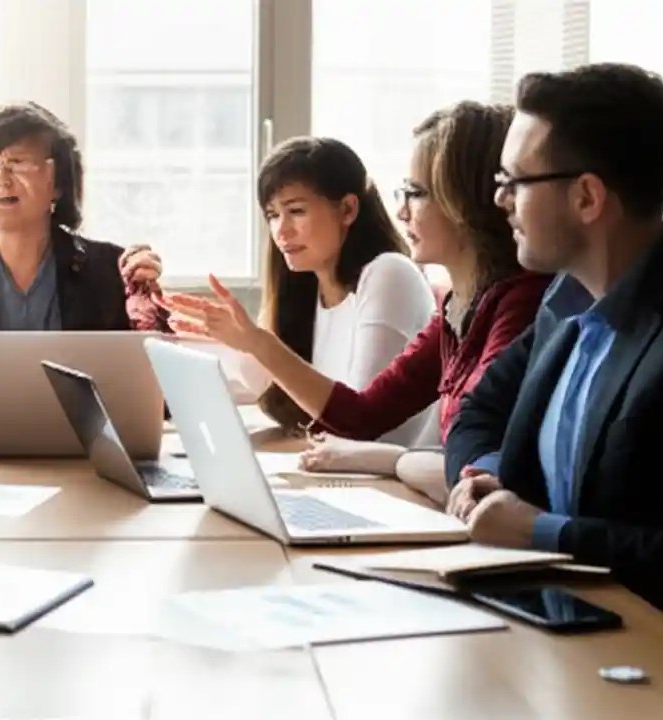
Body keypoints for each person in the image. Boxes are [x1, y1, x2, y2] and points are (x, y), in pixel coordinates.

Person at [444, 63, 663, 637]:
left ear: (587, 196)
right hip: (552, 628)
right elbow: (476, 414)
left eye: (514, 181)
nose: (499, 200)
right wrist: (486, 478)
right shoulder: (565, 303)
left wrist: (542, 530)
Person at [176, 103, 550, 503]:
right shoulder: (459, 310)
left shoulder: (521, 304)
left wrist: (394, 461)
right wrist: (254, 341)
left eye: (417, 193)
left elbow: (474, 465)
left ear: (465, 200)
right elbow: (362, 415)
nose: (402, 210)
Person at [160, 136, 438, 447]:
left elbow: (365, 428)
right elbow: (258, 389)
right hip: (353, 479)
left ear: (347, 209)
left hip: (395, 486)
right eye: (273, 215)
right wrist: (236, 343)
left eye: (296, 211)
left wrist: (259, 343)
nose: (281, 230)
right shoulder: (307, 292)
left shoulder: (389, 273)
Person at [0, 102, 167, 344]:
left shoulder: (113, 272)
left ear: (57, 183)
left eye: (18, 163)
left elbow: (151, 376)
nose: (2, 178)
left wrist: (145, 298)